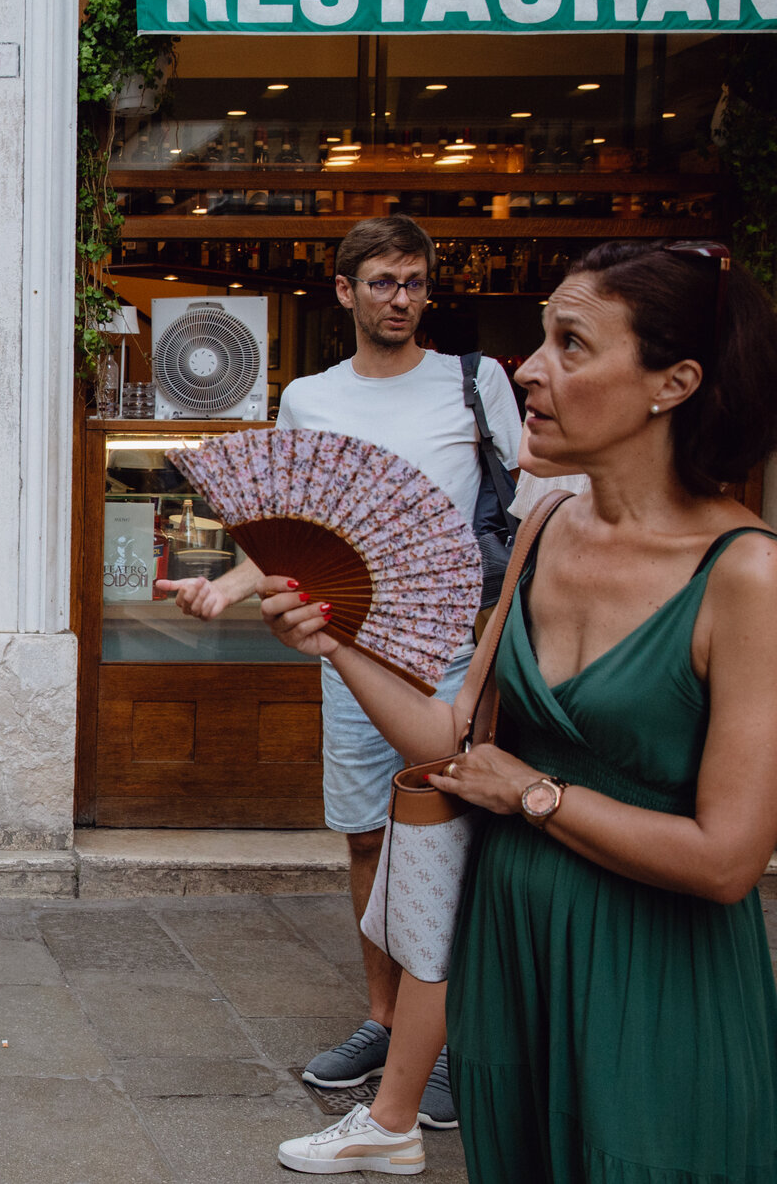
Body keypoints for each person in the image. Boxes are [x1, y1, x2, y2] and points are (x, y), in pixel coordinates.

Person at [263, 242, 777, 1179]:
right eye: (541, 338)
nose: (528, 370)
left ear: (675, 382)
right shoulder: (542, 527)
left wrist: (537, 793)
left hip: (651, 980)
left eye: (570, 344)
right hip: (513, 962)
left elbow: (730, 859)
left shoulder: (747, 576)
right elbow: (456, 742)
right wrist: (336, 640)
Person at [157, 215, 519, 1140]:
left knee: (448, 840)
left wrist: (500, 629)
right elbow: (292, 525)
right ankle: (388, 1019)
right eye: (385, 281)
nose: (403, 298)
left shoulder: (474, 384)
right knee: (365, 836)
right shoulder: (309, 397)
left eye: (415, 281)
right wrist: (230, 585)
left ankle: (445, 1046)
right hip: (346, 642)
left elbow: (530, 508)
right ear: (345, 290)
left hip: (448, 644)